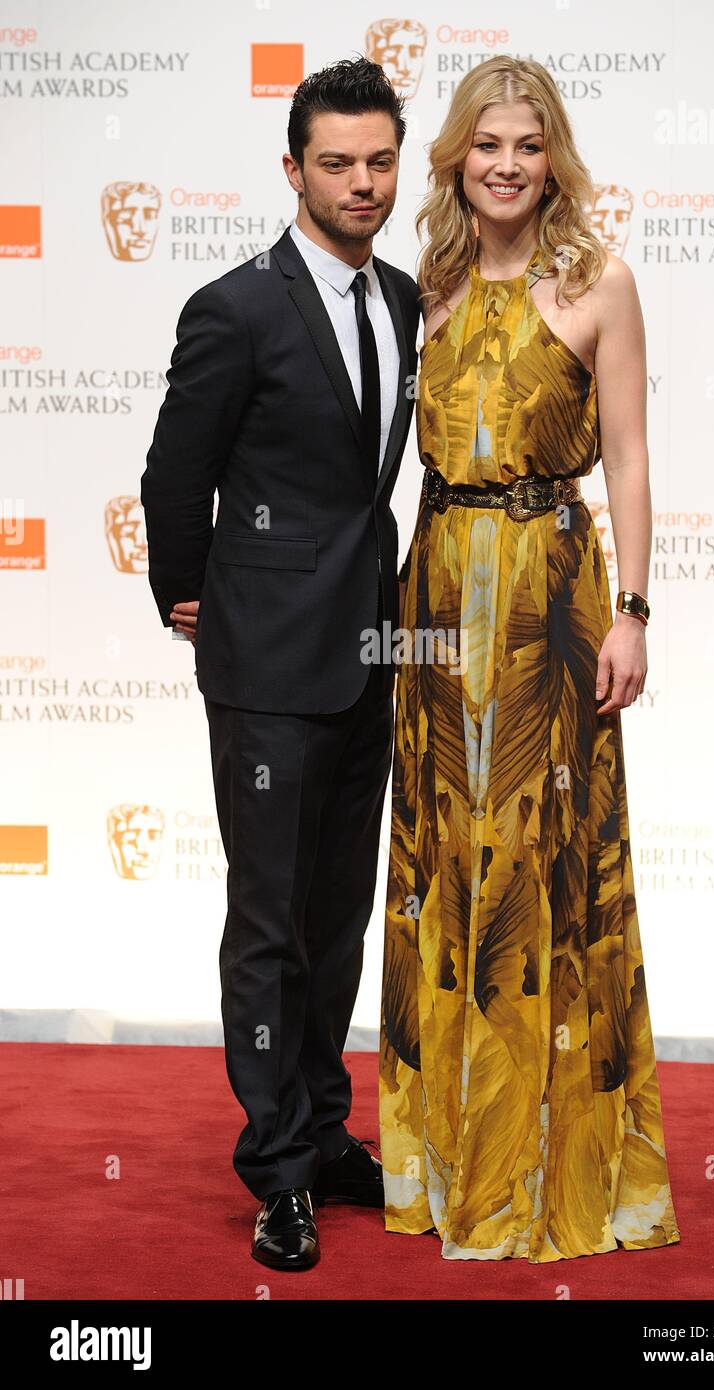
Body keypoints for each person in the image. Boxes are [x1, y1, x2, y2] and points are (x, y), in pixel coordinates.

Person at [379, 55, 682, 1263]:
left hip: (552, 601)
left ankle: (547, 1170)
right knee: (440, 856)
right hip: (437, 593)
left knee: (547, 866)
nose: (507, 164)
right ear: (456, 157)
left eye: (529, 144)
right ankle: (444, 1160)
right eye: (487, 143)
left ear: (553, 158)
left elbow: (630, 456)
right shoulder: (431, 285)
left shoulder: (597, 281)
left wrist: (636, 612)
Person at [140, 57, 420, 1272]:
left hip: (368, 651)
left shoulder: (406, 298)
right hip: (263, 668)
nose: (362, 183)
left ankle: (323, 1127)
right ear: (293, 168)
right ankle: (276, 1169)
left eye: (379, 161)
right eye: (336, 163)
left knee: (339, 917)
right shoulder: (236, 305)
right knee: (269, 925)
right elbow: (174, 471)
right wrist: (188, 591)